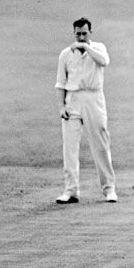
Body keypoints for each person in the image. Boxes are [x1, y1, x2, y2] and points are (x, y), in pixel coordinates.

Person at [55, 18, 117, 204]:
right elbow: (60, 83)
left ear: (90, 32)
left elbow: (104, 61)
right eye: (78, 34)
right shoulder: (66, 54)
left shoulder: (99, 48)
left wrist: (86, 48)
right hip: (73, 99)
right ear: (73, 32)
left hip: (94, 98)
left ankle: (109, 189)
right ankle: (71, 190)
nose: (81, 37)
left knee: (100, 144)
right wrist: (61, 106)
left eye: (84, 33)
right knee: (70, 148)